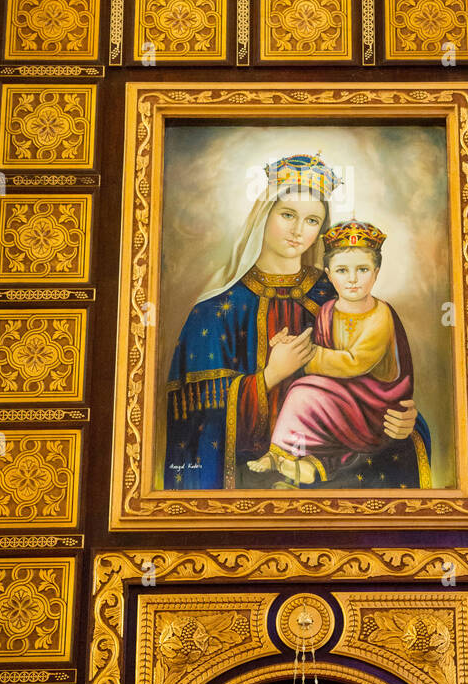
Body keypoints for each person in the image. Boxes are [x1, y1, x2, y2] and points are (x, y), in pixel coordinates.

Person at [163, 155, 428, 489]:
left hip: (340, 462)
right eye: (287, 214)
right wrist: (272, 375)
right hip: (247, 471)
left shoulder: (339, 298)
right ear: (264, 216)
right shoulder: (218, 310)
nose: (298, 230)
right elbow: (192, 421)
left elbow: (374, 383)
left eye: (312, 220)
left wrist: (403, 419)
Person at [247, 220, 429, 487]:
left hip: (374, 405)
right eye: (343, 271)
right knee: (305, 390)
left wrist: (305, 354)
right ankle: (295, 465)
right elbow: (323, 356)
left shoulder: (381, 315)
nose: (353, 279)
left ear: (376, 273)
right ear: (330, 275)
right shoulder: (327, 310)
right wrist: (291, 344)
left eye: (363, 270)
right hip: (341, 397)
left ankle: (282, 456)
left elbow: (354, 363)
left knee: (303, 390)